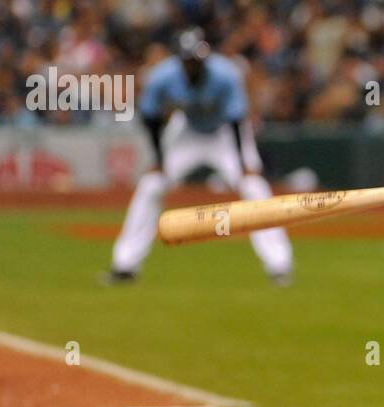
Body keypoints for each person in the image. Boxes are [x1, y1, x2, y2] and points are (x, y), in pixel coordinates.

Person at [106, 29, 293, 284]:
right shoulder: (163, 76)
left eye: (197, 60)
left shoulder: (225, 74)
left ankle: (279, 264)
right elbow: (150, 117)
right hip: (187, 132)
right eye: (188, 60)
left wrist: (243, 165)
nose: (192, 65)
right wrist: (159, 161)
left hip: (224, 134)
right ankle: (124, 265)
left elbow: (237, 120)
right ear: (179, 60)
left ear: (205, 58)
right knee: (151, 186)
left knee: (253, 186)